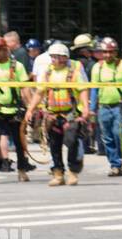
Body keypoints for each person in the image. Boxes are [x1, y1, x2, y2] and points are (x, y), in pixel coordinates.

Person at [27, 42, 88, 186]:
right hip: (52, 115)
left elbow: (83, 90)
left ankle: (72, 172)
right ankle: (58, 173)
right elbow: (39, 92)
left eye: (55, 57)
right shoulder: (48, 72)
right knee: (54, 145)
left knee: (71, 142)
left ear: (64, 58)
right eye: (52, 57)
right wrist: (31, 109)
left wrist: (85, 107)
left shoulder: (74, 72)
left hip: (70, 114)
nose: (53, 59)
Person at [0, 35, 33, 184]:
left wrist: (31, 107)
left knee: (19, 142)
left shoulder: (16, 66)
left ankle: (22, 170)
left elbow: (25, 88)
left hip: (14, 111)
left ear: (6, 49)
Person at [91, 36, 122, 176]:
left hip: (120, 106)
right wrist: (92, 109)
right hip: (104, 107)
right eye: (105, 52)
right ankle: (114, 165)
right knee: (107, 137)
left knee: (120, 135)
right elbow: (94, 89)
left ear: (116, 52)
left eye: (111, 52)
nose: (108, 55)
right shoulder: (97, 67)